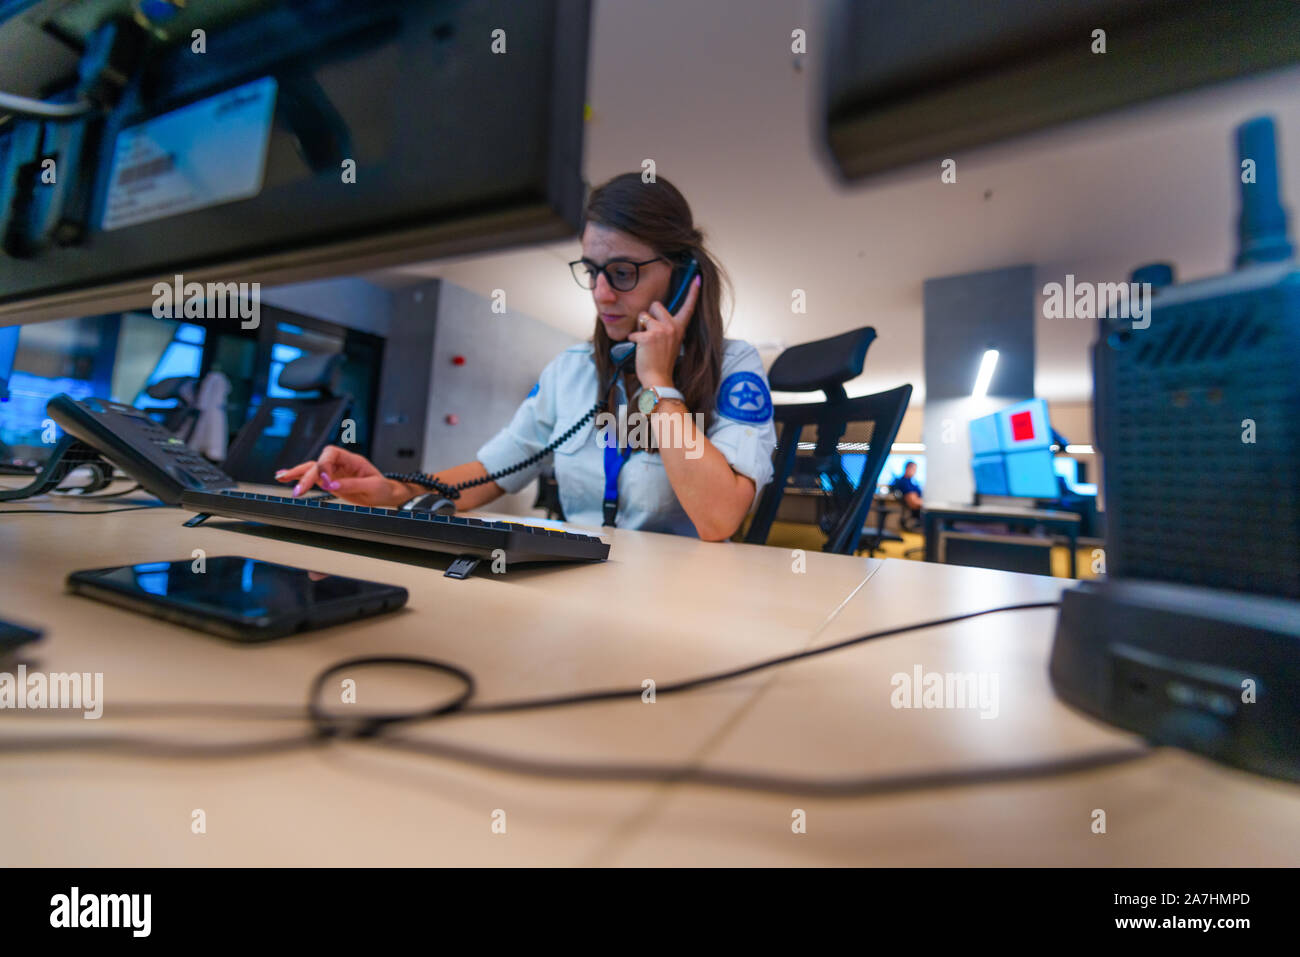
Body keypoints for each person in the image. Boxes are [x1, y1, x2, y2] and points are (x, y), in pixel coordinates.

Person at [274, 173, 778, 541]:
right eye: (592, 270)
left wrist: (661, 386)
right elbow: (489, 475)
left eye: (623, 272)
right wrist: (392, 489)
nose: (601, 294)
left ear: (682, 274)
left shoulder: (734, 366)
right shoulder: (571, 370)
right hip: (582, 581)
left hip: (687, 600)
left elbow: (718, 519)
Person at [890, 460, 924, 528]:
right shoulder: (905, 482)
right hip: (915, 514)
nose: (915, 472)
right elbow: (913, 502)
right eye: (914, 469)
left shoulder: (911, 482)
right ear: (908, 468)